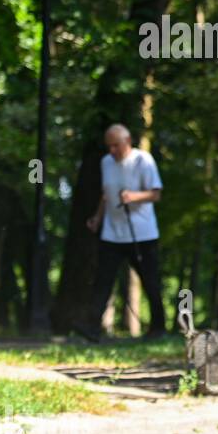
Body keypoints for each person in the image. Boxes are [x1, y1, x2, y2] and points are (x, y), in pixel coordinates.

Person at [80, 124, 167, 341]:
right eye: (109, 146)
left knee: (150, 281)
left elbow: (156, 195)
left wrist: (133, 197)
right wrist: (97, 217)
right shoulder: (106, 163)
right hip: (112, 233)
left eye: (115, 145)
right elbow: (106, 194)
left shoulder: (143, 160)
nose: (112, 151)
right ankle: (92, 329)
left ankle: (158, 328)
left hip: (142, 233)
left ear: (127, 141)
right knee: (103, 281)